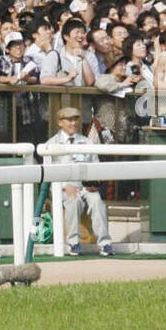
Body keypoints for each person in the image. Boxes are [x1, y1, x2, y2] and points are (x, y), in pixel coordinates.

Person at [42, 106, 113, 256]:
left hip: (85, 187)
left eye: (75, 120)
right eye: (69, 120)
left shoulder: (86, 142)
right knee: (73, 201)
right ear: (60, 122)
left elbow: (96, 166)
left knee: (96, 200)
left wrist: (94, 184)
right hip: (63, 187)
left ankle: (105, 244)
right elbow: (49, 172)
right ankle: (73, 243)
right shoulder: (51, 144)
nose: (73, 123)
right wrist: (64, 186)